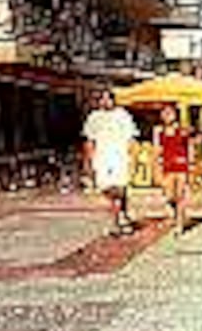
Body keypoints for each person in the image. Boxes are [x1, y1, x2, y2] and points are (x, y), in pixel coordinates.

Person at [82, 90, 139, 236]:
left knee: (120, 189)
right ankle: (120, 217)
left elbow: (131, 139)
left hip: (119, 156)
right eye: (103, 99)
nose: (106, 102)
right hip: (101, 158)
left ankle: (120, 218)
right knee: (108, 190)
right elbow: (89, 141)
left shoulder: (123, 116)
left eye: (109, 99)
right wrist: (88, 162)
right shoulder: (93, 118)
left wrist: (133, 158)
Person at [153, 104, 194, 235]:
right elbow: (157, 149)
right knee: (170, 196)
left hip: (181, 164)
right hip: (167, 165)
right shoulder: (158, 131)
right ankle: (177, 214)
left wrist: (191, 163)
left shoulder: (182, 130)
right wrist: (156, 165)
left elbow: (190, 146)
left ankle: (179, 223)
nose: (167, 116)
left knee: (180, 195)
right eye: (165, 113)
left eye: (170, 113)